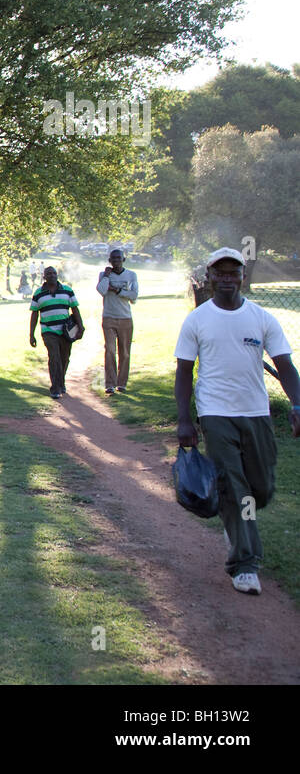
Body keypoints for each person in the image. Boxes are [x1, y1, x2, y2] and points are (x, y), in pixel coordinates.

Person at [175, 247, 300, 596]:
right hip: (215, 413)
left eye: (234, 273)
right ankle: (244, 564)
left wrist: (298, 405)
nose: (227, 279)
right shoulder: (197, 320)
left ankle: (237, 519)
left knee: (260, 489)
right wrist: (186, 419)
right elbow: (184, 372)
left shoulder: (262, 318)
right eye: (220, 273)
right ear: (209, 277)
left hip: (256, 413)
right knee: (234, 484)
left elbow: (286, 367)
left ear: (243, 277)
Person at [29, 266, 83, 400]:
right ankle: (55, 388)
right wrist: (31, 334)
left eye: (54, 273)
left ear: (57, 275)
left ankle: (61, 382)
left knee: (64, 358)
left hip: (65, 332)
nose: (52, 275)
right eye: (49, 274)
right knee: (54, 358)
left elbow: (75, 310)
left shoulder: (67, 291)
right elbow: (34, 314)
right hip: (48, 331)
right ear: (44, 277)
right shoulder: (38, 293)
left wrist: (81, 327)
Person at [97, 248, 139, 394]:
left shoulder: (131, 275)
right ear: (109, 260)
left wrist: (117, 290)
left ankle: (121, 383)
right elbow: (101, 290)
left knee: (125, 353)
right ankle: (110, 384)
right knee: (110, 350)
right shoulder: (103, 274)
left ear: (123, 260)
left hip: (125, 318)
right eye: (113, 259)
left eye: (118, 258)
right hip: (108, 316)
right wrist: (107, 276)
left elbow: (134, 296)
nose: (116, 261)